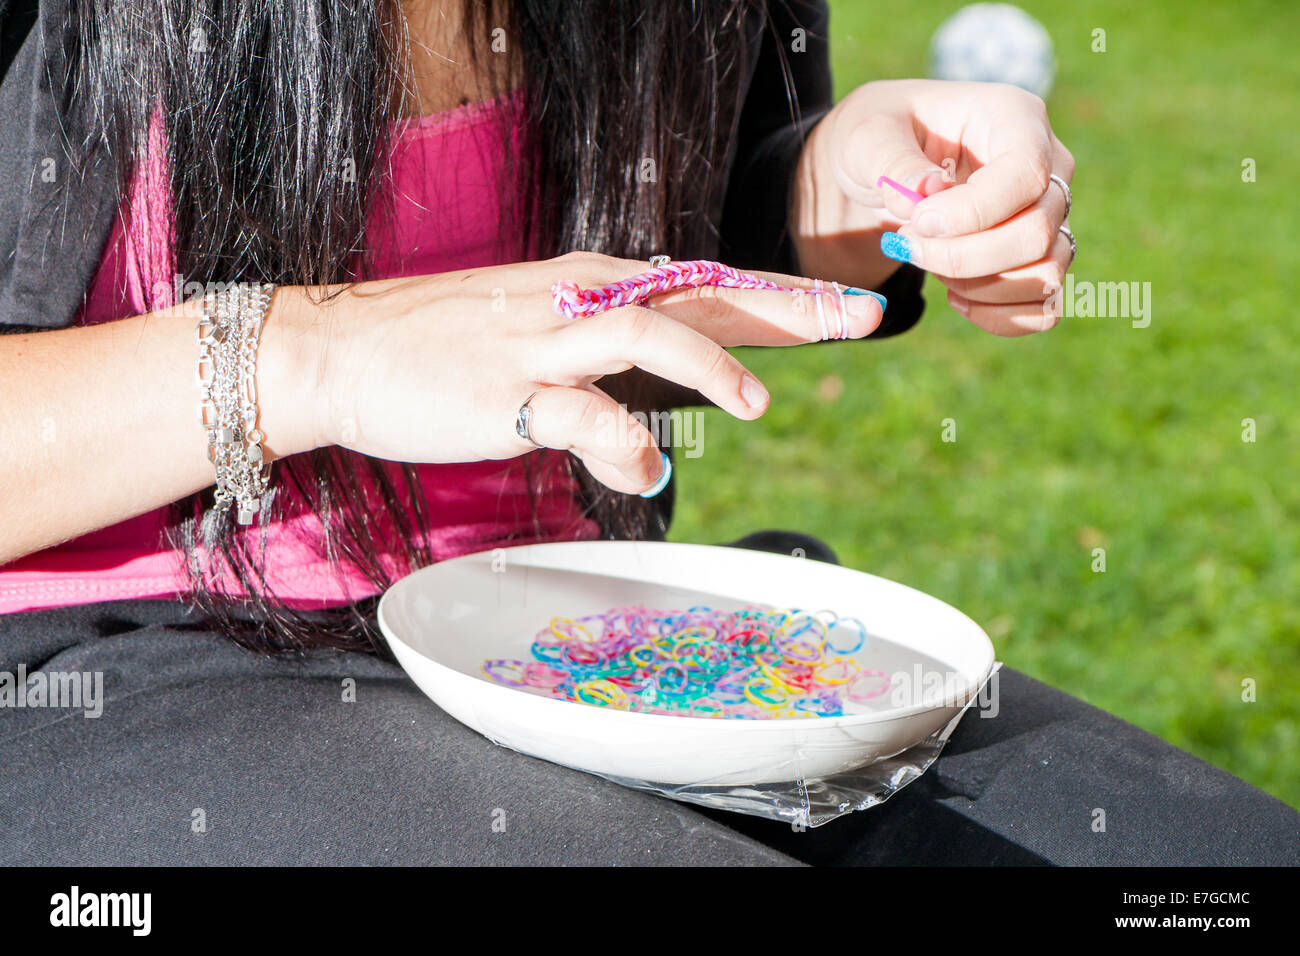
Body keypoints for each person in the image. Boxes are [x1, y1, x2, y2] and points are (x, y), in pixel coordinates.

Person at [1, 0, 1294, 865]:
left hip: (579, 627)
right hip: (114, 655)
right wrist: (305, 356)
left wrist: (830, 200)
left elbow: (634, 280)